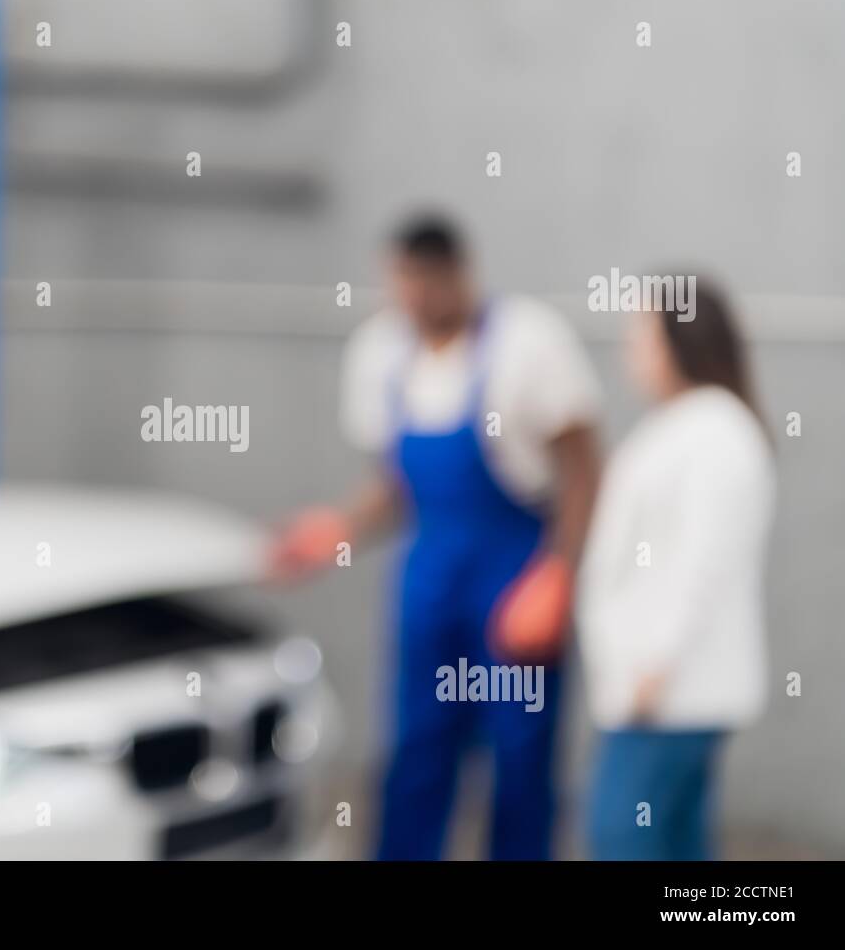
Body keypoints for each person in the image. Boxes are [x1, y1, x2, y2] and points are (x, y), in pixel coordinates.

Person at [272, 215, 602, 859]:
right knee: (417, 745)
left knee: (520, 753)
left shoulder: (528, 344)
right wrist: (338, 528)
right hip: (428, 575)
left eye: (427, 284)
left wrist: (559, 576)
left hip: (514, 569)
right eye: (402, 283)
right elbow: (396, 485)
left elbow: (583, 470)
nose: (414, 300)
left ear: (460, 274)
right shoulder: (381, 352)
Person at [578, 281, 775, 860]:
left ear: (679, 340)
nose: (631, 354)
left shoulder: (716, 432)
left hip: (668, 693)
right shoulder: (686, 426)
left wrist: (655, 666)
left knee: (623, 835)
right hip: (658, 689)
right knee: (677, 845)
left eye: (641, 338)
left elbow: (702, 563)